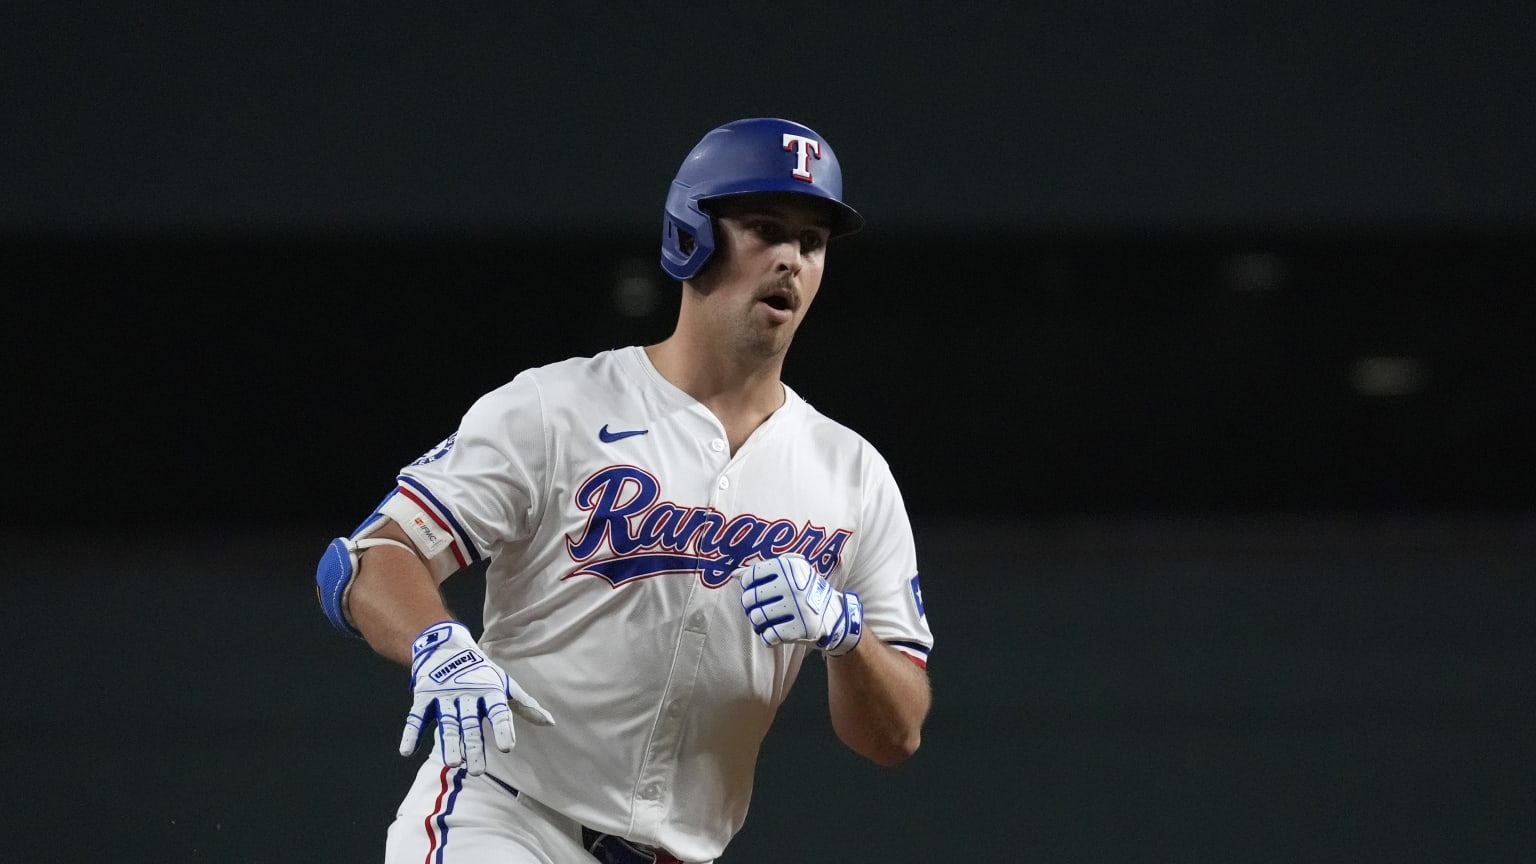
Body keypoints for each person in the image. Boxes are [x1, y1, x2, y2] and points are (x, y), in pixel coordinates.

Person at [314, 116, 934, 864]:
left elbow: (896, 734)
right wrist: (436, 644)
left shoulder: (853, 473)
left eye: (811, 242)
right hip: (507, 821)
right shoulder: (557, 406)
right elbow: (371, 554)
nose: (790, 259)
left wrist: (847, 638)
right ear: (690, 237)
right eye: (765, 228)